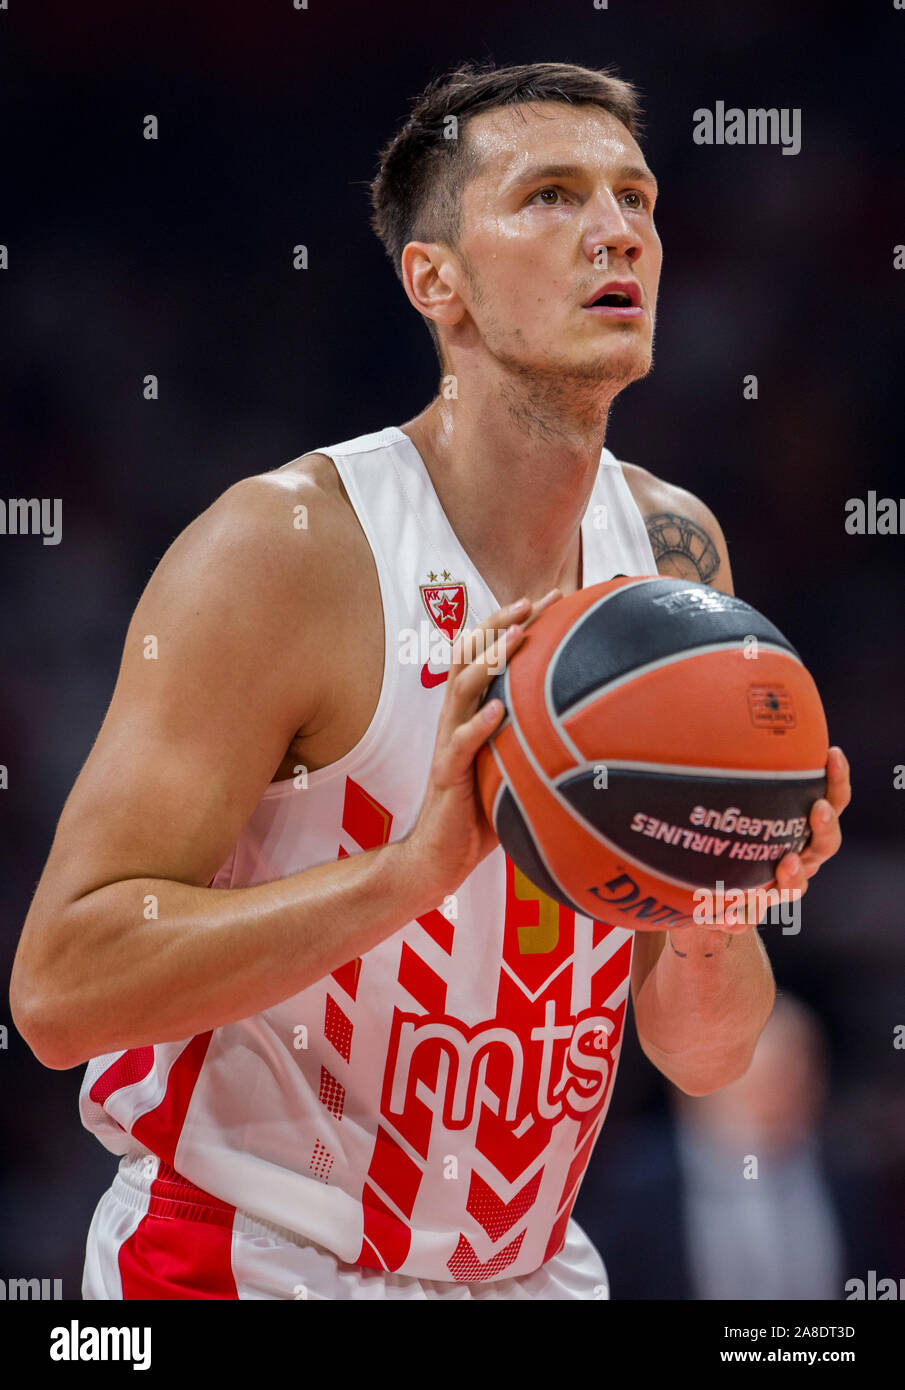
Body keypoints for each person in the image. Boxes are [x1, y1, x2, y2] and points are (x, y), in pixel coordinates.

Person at [9, 60, 850, 1300]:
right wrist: (407, 875)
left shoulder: (675, 556)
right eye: (552, 196)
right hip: (244, 1259)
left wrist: (720, 890)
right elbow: (61, 989)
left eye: (636, 197)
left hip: (528, 1271)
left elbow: (707, 1058)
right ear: (434, 281)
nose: (615, 229)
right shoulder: (285, 549)